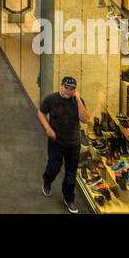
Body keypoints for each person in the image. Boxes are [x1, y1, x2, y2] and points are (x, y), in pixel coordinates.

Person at [39, 76, 90, 213]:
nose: (68, 91)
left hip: (74, 144)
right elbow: (41, 112)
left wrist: (78, 99)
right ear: (61, 86)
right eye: (66, 88)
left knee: (71, 174)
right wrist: (47, 128)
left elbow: (85, 119)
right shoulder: (52, 99)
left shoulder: (77, 101)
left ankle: (69, 199)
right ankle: (47, 180)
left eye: (71, 89)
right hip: (56, 142)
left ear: (75, 90)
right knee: (54, 167)